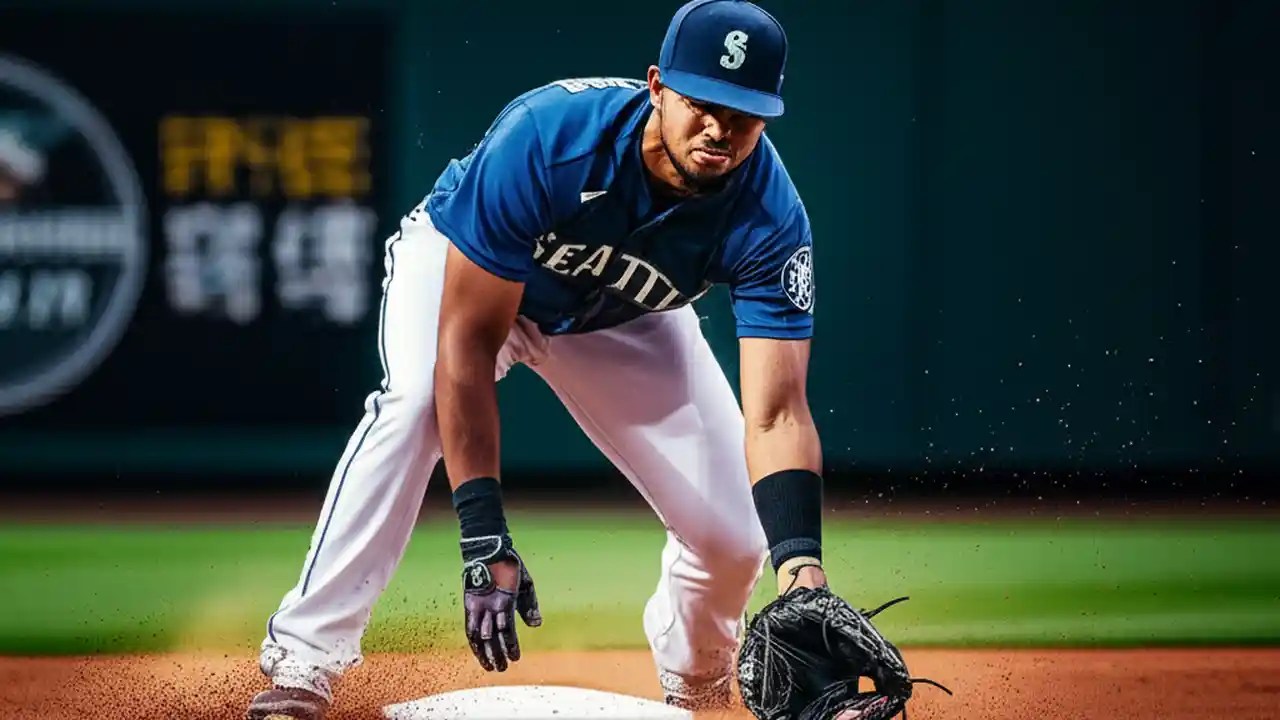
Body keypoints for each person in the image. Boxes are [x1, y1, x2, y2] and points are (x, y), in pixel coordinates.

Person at [246, 2, 883, 718]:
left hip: (620, 311)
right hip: (471, 272)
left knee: (736, 536)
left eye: (743, 112)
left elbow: (776, 413)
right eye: (703, 103)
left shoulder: (770, 215)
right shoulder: (550, 138)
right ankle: (305, 659)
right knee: (417, 404)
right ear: (657, 87)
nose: (720, 128)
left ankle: (700, 687)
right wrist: (483, 530)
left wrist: (803, 571)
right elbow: (464, 349)